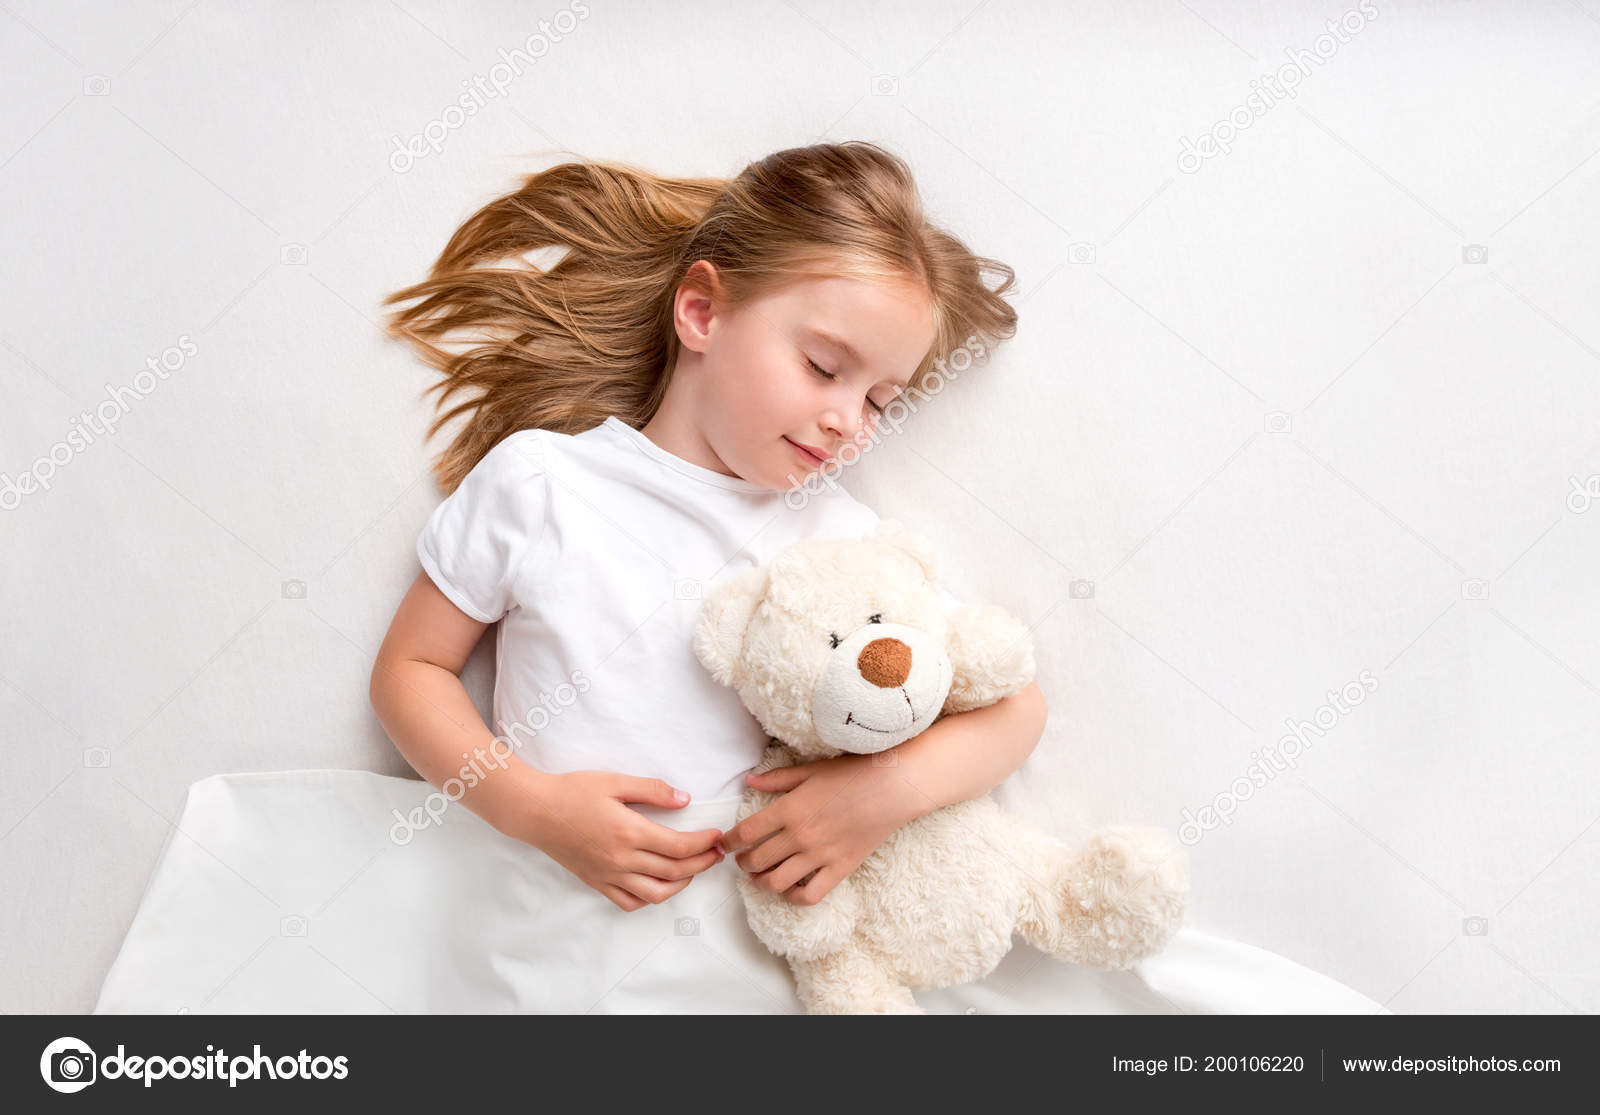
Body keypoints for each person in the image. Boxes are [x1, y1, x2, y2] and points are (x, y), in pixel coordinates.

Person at [367, 141, 1047, 1009]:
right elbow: (409, 673)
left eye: (883, 399)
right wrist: (531, 807)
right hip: (540, 970)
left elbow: (1015, 708)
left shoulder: (845, 542)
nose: (850, 422)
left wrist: (876, 795)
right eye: (824, 368)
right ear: (701, 312)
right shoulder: (544, 484)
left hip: (740, 986)